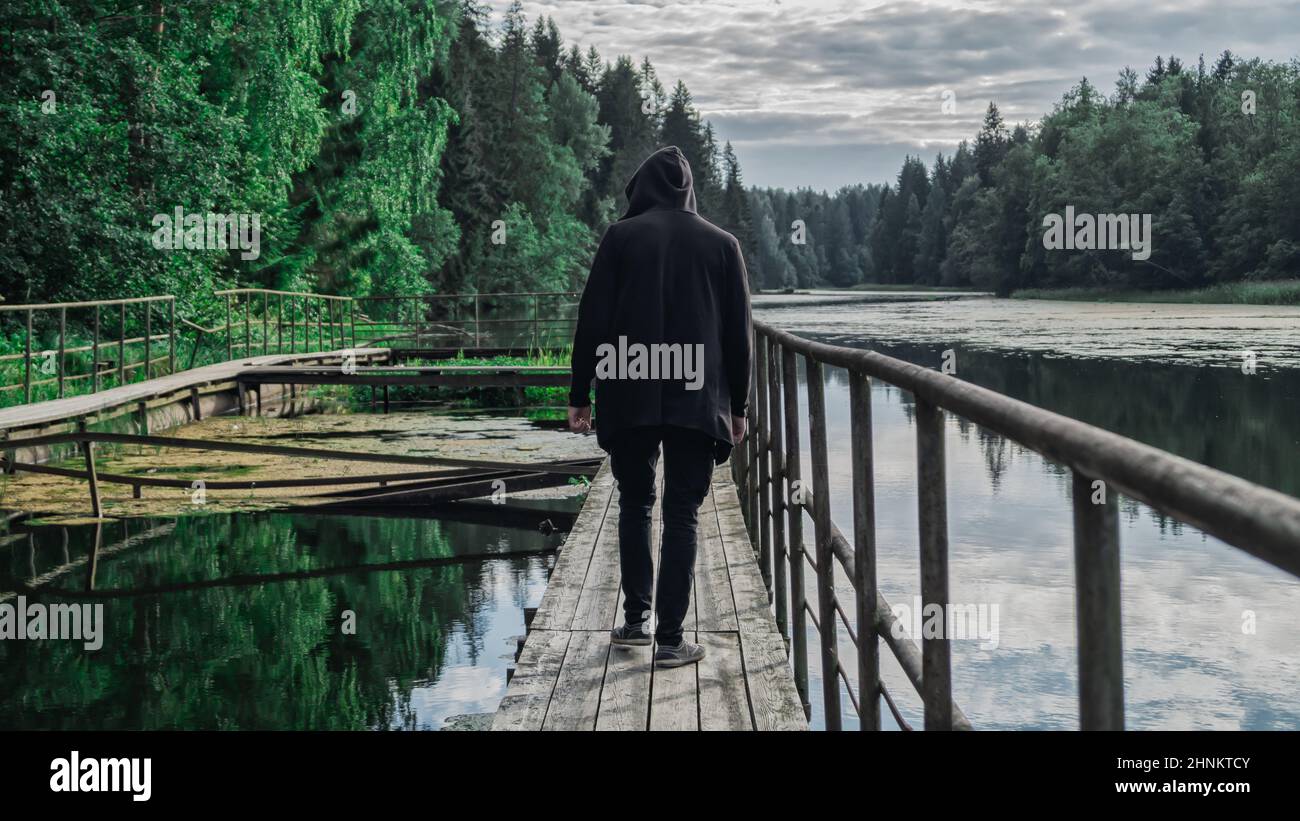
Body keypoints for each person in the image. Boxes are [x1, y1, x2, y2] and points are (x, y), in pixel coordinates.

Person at [567, 145, 752, 668]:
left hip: (629, 389)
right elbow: (740, 338)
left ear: (643, 188)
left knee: (634, 503)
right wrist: (739, 405)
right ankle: (671, 640)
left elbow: (592, 320)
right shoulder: (723, 246)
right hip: (698, 398)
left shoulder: (621, 238)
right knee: (683, 513)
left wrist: (580, 395)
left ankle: (634, 621)